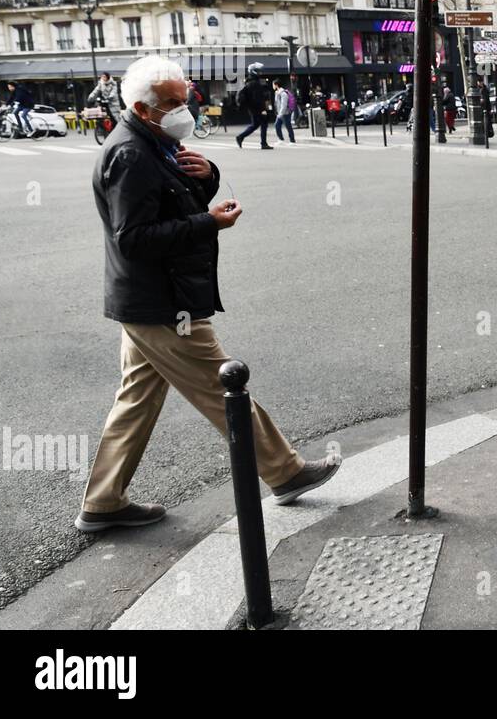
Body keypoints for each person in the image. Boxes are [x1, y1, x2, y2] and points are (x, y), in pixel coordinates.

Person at [77, 55, 340, 533]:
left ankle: (103, 501)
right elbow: (133, 239)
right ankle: (286, 472)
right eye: (174, 103)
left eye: (186, 99)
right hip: (161, 303)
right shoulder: (132, 155)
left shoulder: (154, 142)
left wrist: (208, 176)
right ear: (142, 107)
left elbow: (169, 202)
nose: (186, 109)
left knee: (136, 399)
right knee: (224, 389)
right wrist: (209, 222)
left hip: (146, 300)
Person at [235, 66, 273, 149]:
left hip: (252, 108)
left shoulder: (249, 82)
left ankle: (240, 137)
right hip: (257, 108)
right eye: (258, 71)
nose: (260, 73)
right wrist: (263, 109)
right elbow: (257, 98)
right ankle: (264, 143)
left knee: (255, 125)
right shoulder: (255, 83)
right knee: (263, 124)